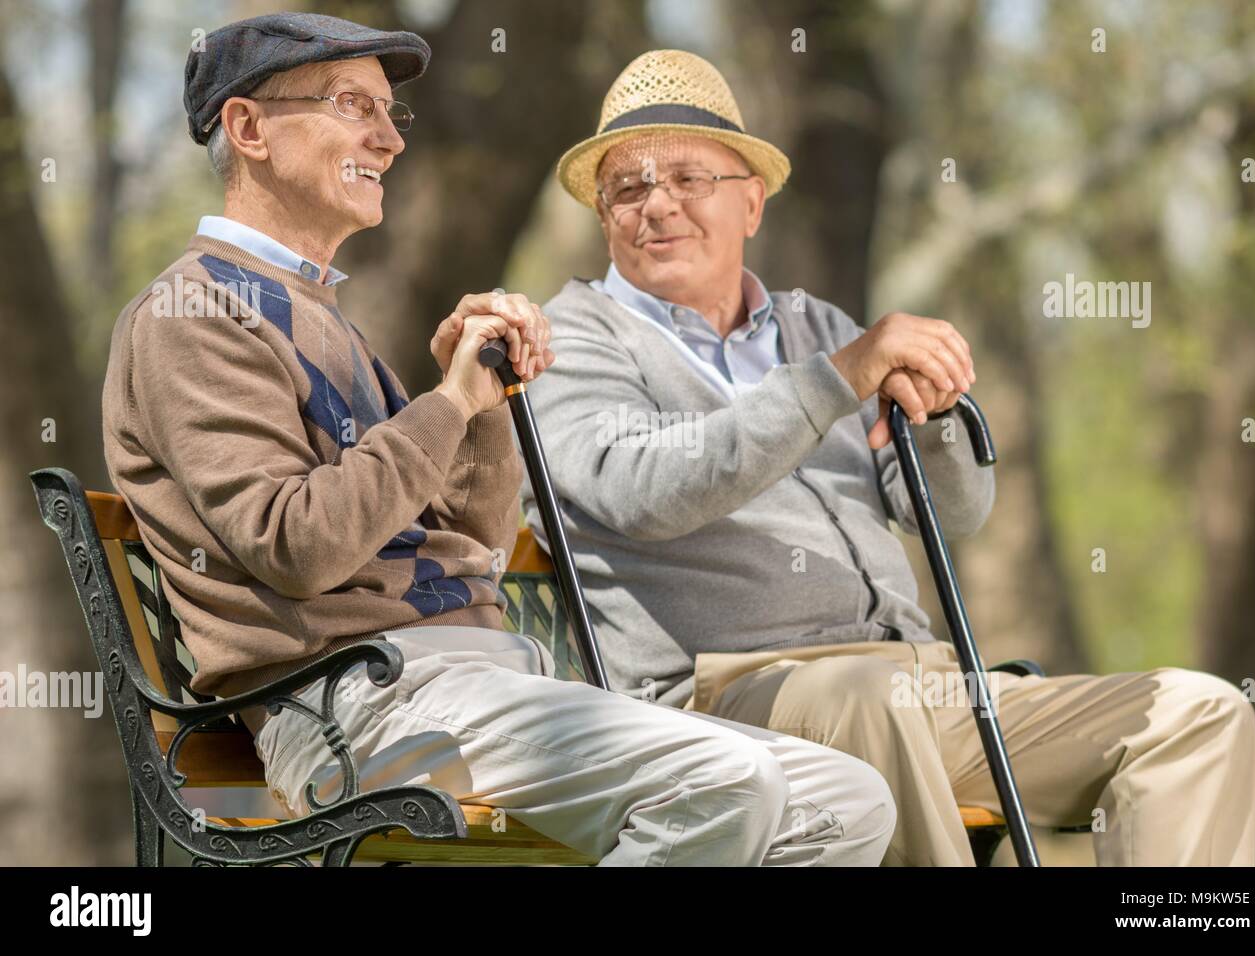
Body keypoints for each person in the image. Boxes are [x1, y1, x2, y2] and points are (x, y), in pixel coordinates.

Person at [99, 15, 896, 866]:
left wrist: (481, 411)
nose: (387, 138)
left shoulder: (318, 312)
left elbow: (472, 542)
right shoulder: (193, 317)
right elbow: (299, 546)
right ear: (248, 128)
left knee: (848, 801)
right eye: (351, 104)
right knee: (728, 781)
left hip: (471, 685)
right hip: (357, 706)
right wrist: (446, 403)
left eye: (389, 113)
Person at [525, 48, 1255, 865]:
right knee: (873, 699)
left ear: (752, 204)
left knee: (1200, 713)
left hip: (919, 679)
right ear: (603, 216)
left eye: (688, 179)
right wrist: (834, 382)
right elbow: (643, 490)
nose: (656, 205)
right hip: (723, 702)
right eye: (628, 187)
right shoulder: (572, 341)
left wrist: (936, 420)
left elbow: (949, 518)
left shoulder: (816, 327)